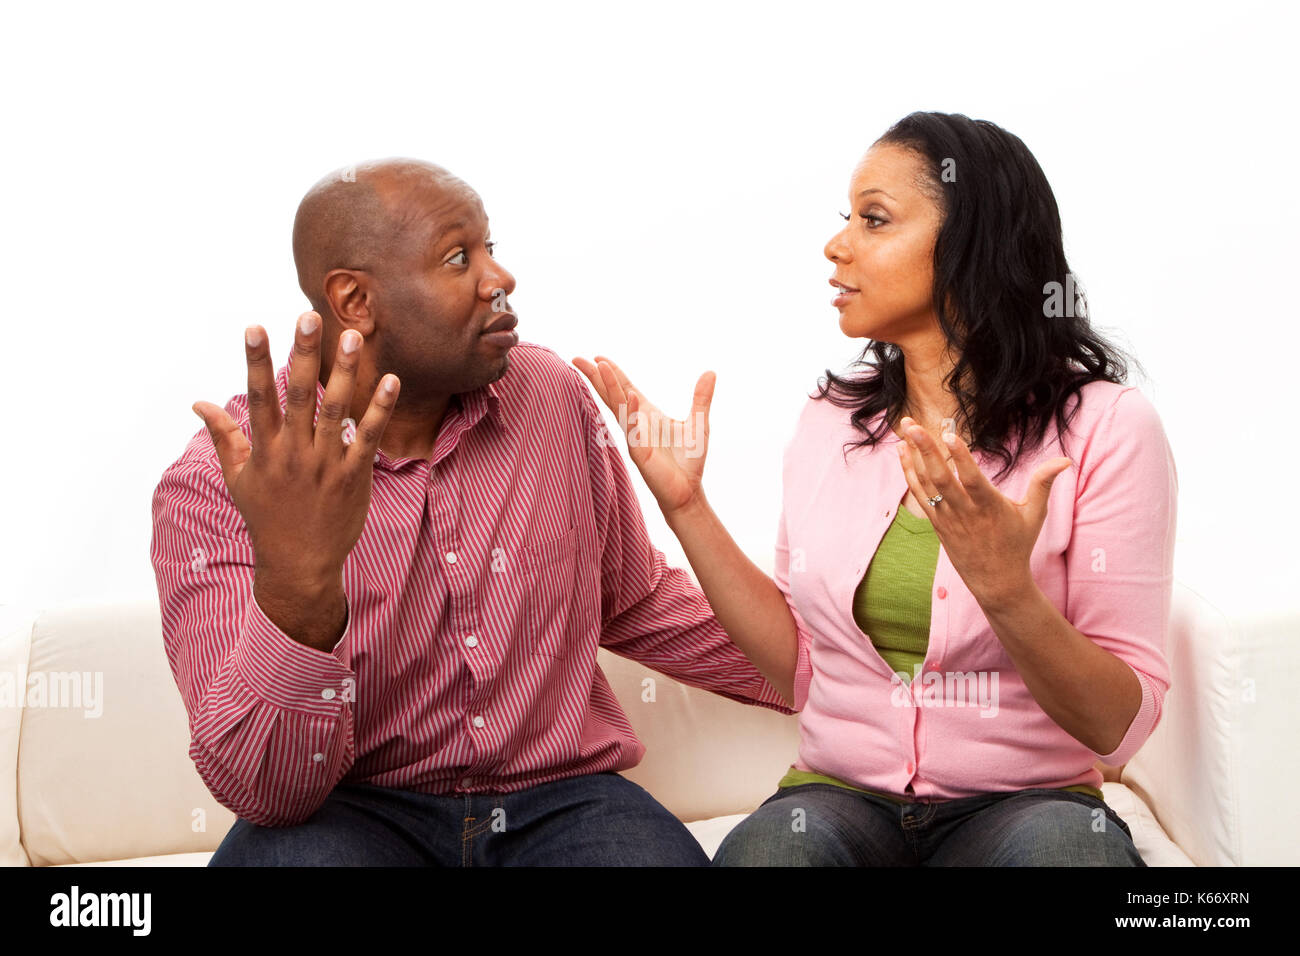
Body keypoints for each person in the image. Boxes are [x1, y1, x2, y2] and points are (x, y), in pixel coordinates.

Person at [150, 158, 795, 867]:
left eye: (491, 247)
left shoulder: (548, 396)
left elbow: (635, 601)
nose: (500, 278)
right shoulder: (219, 480)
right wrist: (299, 592)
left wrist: (851, 678)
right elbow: (264, 794)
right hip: (352, 809)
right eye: (459, 257)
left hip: (558, 798)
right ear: (355, 301)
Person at [573, 111, 1177, 866]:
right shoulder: (832, 420)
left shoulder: (1108, 429)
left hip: (1029, 805)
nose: (837, 245)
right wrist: (687, 506)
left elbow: (1117, 726)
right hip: (839, 798)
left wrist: (1007, 591)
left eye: (875, 220)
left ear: (969, 243)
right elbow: (798, 669)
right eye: (846, 219)